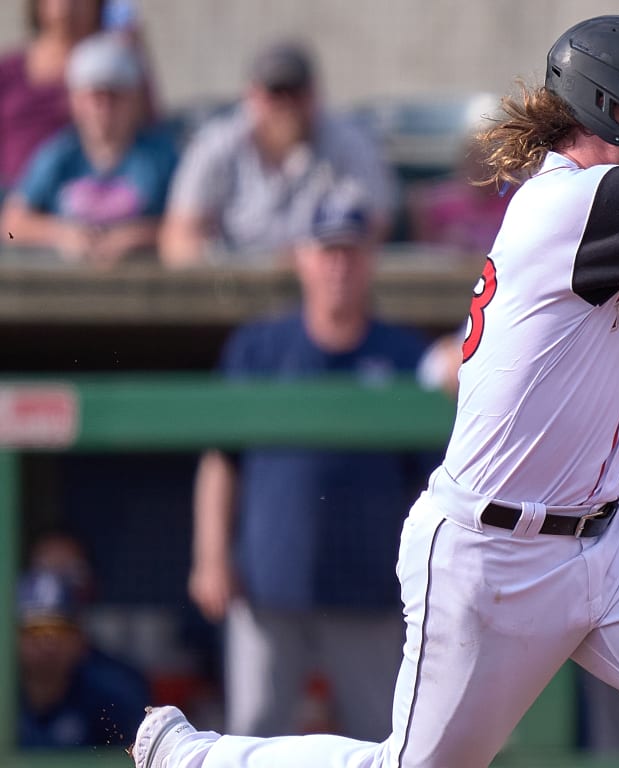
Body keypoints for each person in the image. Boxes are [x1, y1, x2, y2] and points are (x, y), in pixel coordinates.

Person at [134, 14, 619, 768]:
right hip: (492, 553)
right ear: (616, 106)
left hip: (615, 544)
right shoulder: (589, 200)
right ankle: (200, 760)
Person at [184, 185, 432, 741]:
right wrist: (210, 557)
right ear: (301, 258)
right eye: (326, 251)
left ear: (370, 260)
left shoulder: (403, 352)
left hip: (370, 589)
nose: (337, 266)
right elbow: (221, 460)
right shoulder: (258, 349)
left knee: (382, 739)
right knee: (252, 736)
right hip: (269, 586)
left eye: (350, 251)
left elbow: (432, 481)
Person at [158, 40, 396, 267]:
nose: (286, 105)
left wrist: (310, 263)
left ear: (314, 93)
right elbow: (179, 241)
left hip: (322, 289)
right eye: (275, 93)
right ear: (251, 95)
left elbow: (375, 228)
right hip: (233, 295)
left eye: (295, 92)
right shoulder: (216, 146)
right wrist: (238, 269)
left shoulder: (350, 143)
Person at [1, 31, 176, 267]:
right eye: (94, 97)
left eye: (115, 97)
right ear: (74, 101)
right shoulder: (58, 155)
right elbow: (12, 225)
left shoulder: (163, 157)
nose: (103, 109)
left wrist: (139, 236)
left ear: (134, 100)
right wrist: (61, 235)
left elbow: (196, 224)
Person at [18, 567, 150, 749]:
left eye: (60, 630)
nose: (48, 643)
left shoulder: (113, 698)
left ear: (79, 638)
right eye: (35, 631)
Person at [0, 0, 103, 195]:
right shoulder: (8, 69)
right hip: (10, 192)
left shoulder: (115, 69)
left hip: (78, 195)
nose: (66, 7)